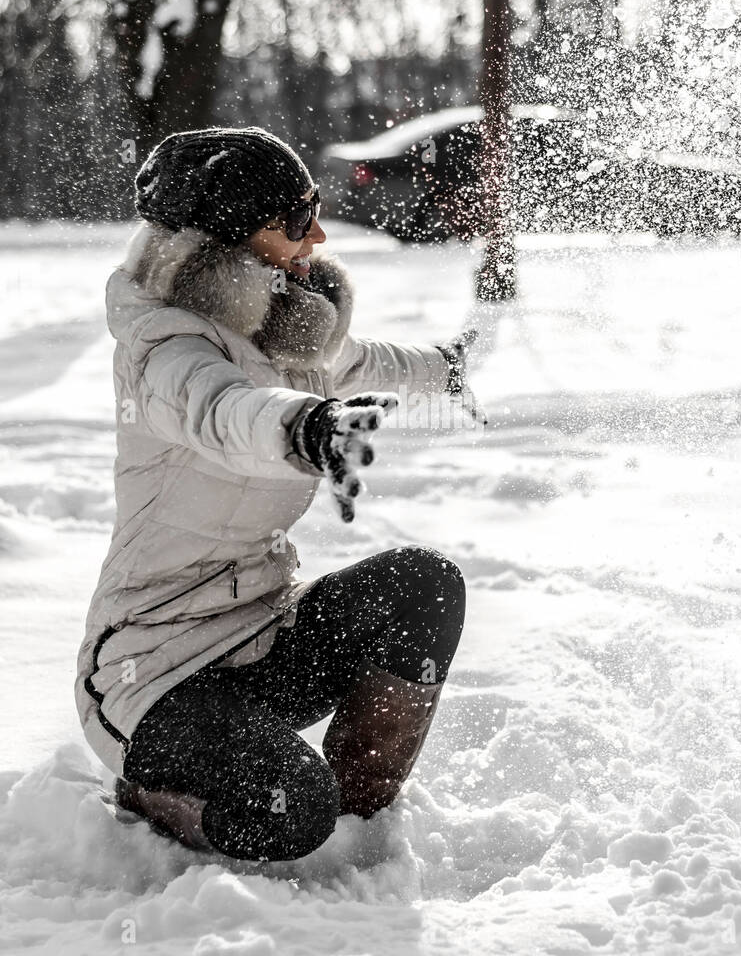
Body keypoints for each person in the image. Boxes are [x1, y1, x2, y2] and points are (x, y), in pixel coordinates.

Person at [75, 126, 477, 862]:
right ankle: (154, 792)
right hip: (154, 677)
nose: (317, 235)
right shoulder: (165, 350)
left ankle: (356, 821)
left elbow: (360, 360)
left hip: (261, 633)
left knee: (424, 585)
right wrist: (306, 429)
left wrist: (445, 370)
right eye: (294, 220)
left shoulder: (281, 319)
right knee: (284, 812)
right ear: (231, 238)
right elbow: (223, 408)